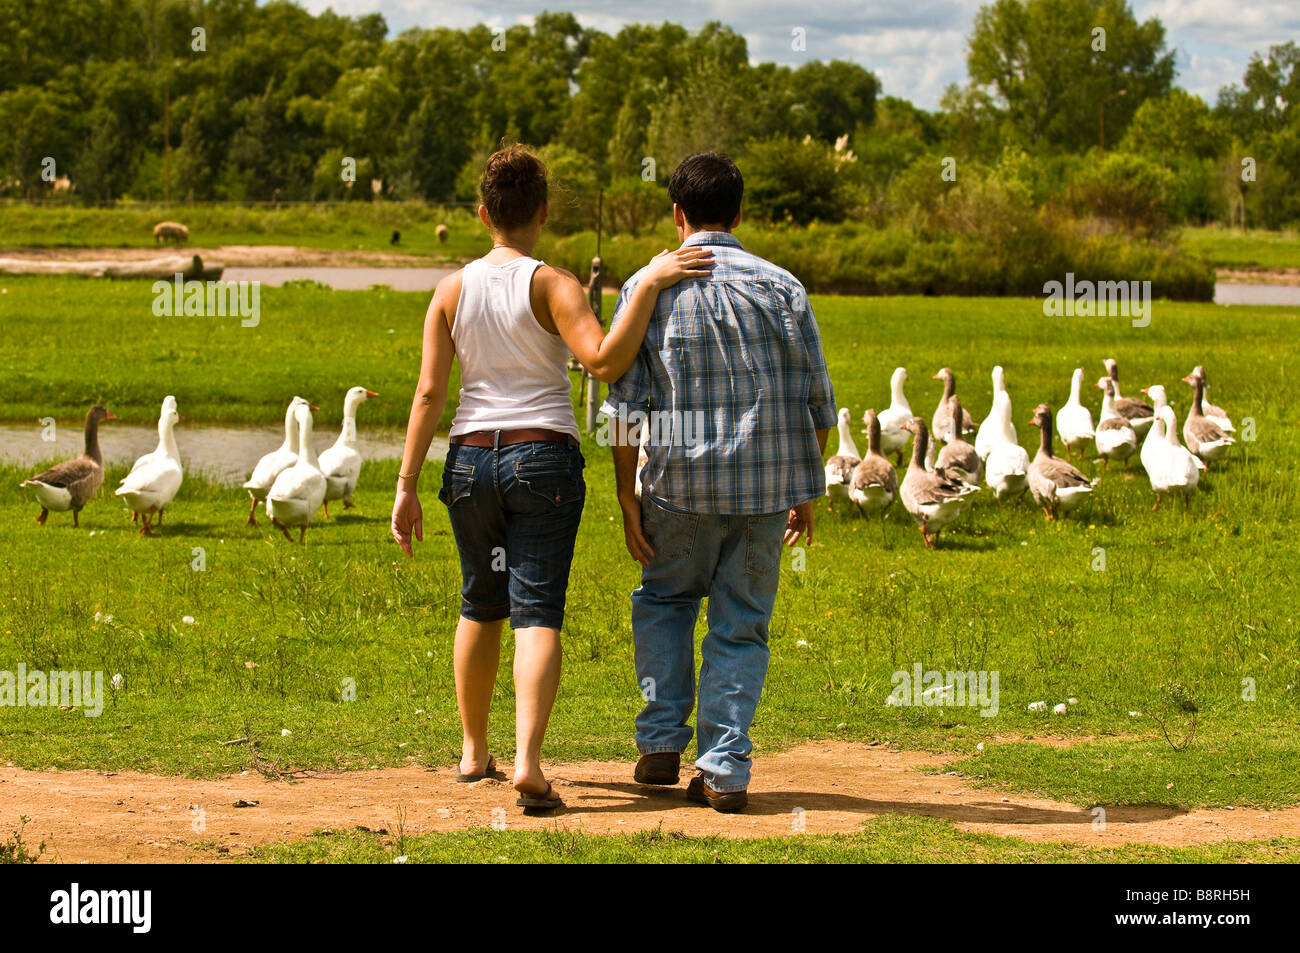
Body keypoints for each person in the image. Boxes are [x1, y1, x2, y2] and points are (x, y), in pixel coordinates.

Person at [391, 144, 712, 812]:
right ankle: (529, 764)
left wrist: (405, 483)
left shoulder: (450, 290)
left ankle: (473, 752)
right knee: (536, 612)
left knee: (479, 603)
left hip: (469, 460)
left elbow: (428, 393)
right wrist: (647, 284)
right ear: (542, 211)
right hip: (541, 460)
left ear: (483, 214)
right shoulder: (555, 285)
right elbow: (604, 361)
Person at [603, 152, 836, 813]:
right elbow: (818, 403)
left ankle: (660, 739)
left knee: (665, 603)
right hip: (763, 494)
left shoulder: (648, 286)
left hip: (677, 487)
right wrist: (803, 489)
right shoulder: (785, 288)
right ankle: (726, 769)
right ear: (739, 212)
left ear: (677, 213)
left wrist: (626, 496)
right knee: (741, 625)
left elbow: (624, 408)